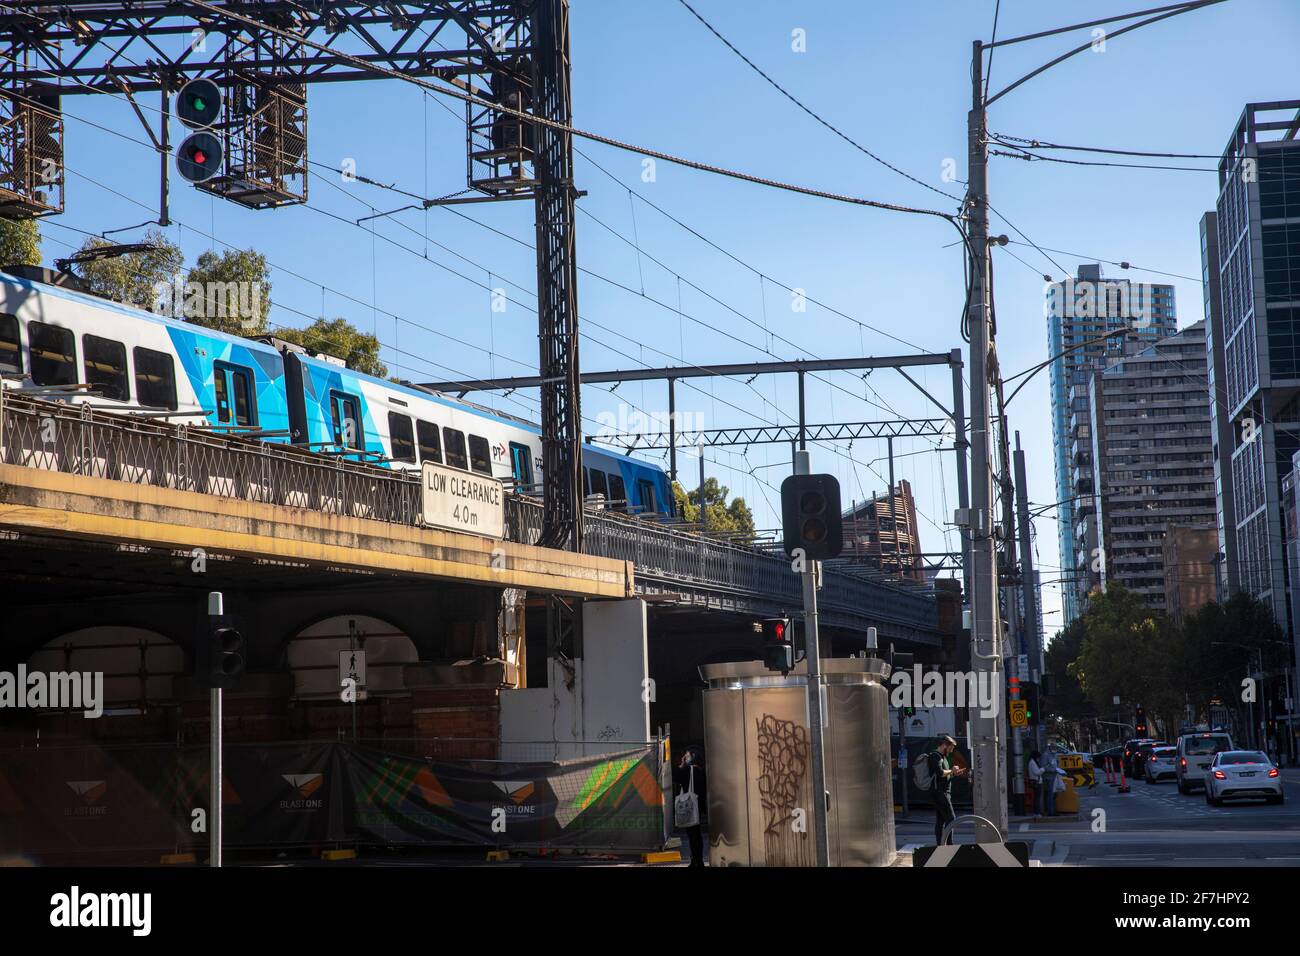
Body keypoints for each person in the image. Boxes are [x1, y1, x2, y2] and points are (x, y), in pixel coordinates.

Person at [928, 735, 967, 845]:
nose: (951, 751)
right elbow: (940, 773)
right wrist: (952, 771)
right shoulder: (935, 756)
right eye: (951, 748)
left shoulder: (942, 757)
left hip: (943, 791)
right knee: (951, 818)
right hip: (939, 792)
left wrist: (953, 773)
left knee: (941, 820)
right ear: (945, 745)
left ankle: (941, 845)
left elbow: (945, 775)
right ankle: (949, 845)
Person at [674, 746, 707, 867]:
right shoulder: (701, 770)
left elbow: (676, 776)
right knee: (697, 834)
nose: (684, 757)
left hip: (690, 806)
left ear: (692, 757)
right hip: (698, 805)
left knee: (692, 835)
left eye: (686, 755)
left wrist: (682, 764)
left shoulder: (688, 770)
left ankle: (695, 860)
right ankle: (699, 860)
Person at [1027, 750, 1044, 816]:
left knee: (1036, 797)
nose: (1039, 759)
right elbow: (1037, 772)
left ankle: (1037, 812)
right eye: (1038, 757)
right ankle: (1037, 812)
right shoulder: (1033, 763)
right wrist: (1043, 769)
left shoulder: (1032, 762)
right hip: (1037, 782)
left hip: (1035, 781)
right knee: (1037, 798)